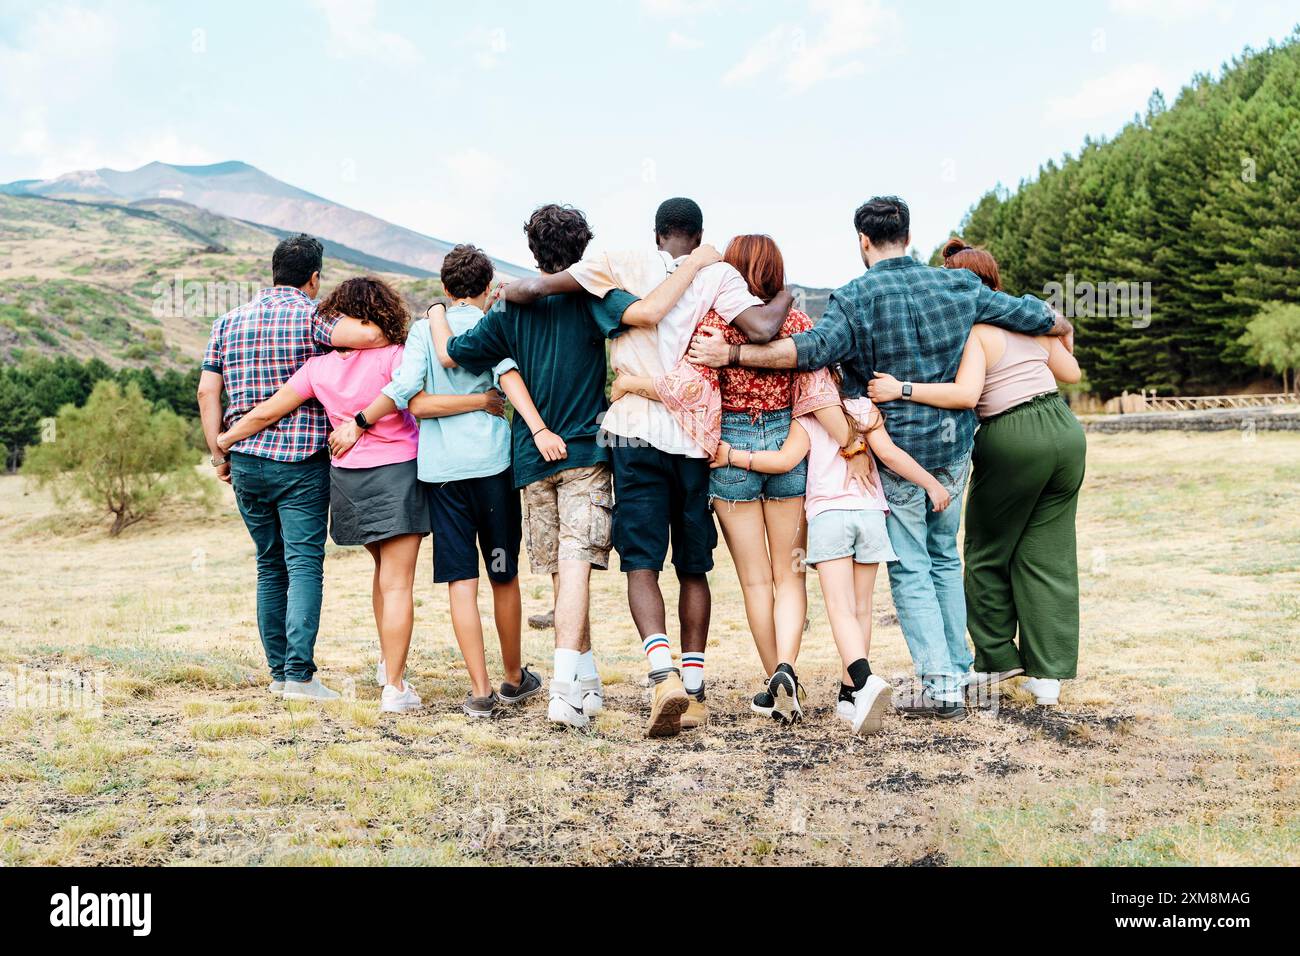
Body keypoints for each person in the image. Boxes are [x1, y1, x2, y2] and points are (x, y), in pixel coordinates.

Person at [688, 197, 1073, 719]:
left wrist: (732, 354)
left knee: (913, 568)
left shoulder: (854, 298)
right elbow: (1034, 314)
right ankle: (959, 671)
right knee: (946, 559)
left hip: (894, 451)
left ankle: (942, 687)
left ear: (863, 241)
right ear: (908, 237)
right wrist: (1057, 322)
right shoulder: (961, 285)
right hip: (953, 450)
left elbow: (805, 353)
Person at [501, 198, 795, 737]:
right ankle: (695, 688)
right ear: (698, 235)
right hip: (693, 439)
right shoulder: (717, 273)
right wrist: (785, 293)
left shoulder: (615, 262)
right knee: (693, 565)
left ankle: (662, 676)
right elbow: (760, 328)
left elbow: (533, 289)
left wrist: (509, 289)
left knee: (641, 562)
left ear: (657, 234)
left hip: (632, 432)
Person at [425, 205, 716, 731]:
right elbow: (649, 312)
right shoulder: (591, 297)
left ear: (533, 250)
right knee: (577, 567)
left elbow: (453, 354)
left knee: (563, 572)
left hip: (531, 457)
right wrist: (695, 264)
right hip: (584, 451)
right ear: (582, 249)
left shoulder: (507, 308)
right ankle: (564, 690)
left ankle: (586, 683)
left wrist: (435, 313)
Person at [609, 234, 851, 722]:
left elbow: (684, 389)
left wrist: (630, 382)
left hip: (729, 453)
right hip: (786, 448)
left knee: (756, 582)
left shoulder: (714, 324)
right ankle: (786, 667)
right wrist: (853, 440)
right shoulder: (798, 323)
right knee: (790, 575)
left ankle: (775, 683)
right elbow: (818, 391)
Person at [326, 246, 541, 718]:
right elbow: (508, 379)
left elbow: (408, 394)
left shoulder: (424, 331)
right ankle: (513, 678)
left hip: (441, 475)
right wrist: (535, 426)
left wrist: (359, 422)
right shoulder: (492, 324)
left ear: (445, 288)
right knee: (502, 573)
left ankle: (480, 691)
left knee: (460, 580)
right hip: (491, 467)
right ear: (488, 288)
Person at [869, 238, 1085, 706]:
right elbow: (1072, 373)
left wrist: (901, 389)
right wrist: (1062, 333)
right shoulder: (1032, 324)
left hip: (1012, 432)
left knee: (985, 551)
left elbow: (966, 396)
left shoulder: (976, 330)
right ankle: (1048, 676)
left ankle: (996, 657)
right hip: (1065, 431)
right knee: (1048, 552)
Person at [217, 276, 437, 712]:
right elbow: (419, 403)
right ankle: (395, 688)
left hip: (348, 480)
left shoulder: (318, 368)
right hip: (397, 473)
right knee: (397, 583)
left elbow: (266, 412)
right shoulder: (396, 355)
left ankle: (387, 667)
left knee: (382, 574)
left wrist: (225, 441)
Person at [197, 235, 389, 702]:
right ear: (314, 277)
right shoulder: (312, 316)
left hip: (245, 460)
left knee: (269, 565)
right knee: (303, 563)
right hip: (301, 463)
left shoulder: (227, 322)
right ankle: (300, 677)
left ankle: (280, 673)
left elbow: (206, 392)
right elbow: (371, 336)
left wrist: (219, 452)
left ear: (274, 271)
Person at [709, 385, 951, 732]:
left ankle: (864, 680)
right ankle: (849, 696)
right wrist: (932, 484)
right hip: (870, 516)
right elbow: (890, 454)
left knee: (839, 608)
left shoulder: (806, 416)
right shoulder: (864, 409)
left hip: (829, 518)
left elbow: (784, 462)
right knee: (861, 608)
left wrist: (733, 456)